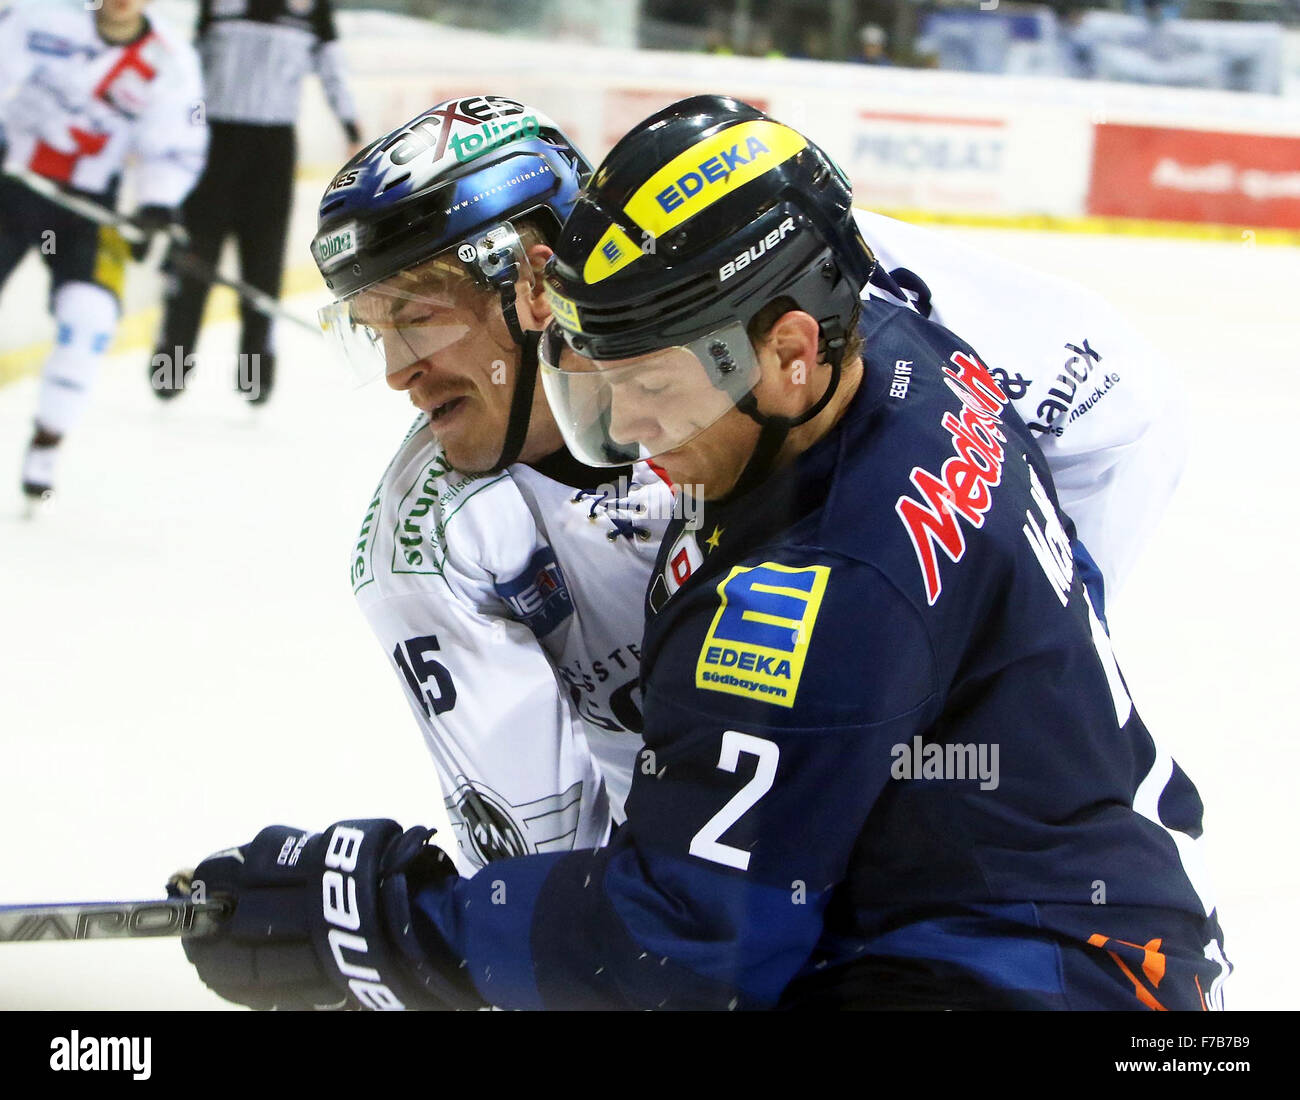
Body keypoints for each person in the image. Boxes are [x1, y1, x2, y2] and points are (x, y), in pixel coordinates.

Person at [176, 96, 1227, 1010]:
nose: (632, 433)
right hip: (1047, 900)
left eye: (420, 315)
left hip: (1015, 953)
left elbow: (676, 944)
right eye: (374, 329)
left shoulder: (819, 573)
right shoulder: (873, 323)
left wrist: (387, 933)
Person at [0, 0, 206, 505]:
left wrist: (159, 208)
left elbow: (176, 144)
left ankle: (47, 444)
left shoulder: (170, 59)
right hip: (9, 186)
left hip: (88, 209)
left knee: (90, 317)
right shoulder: (32, 16)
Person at [150, 0, 361, 405]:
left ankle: (253, 376)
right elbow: (185, 69)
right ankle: (171, 368)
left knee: (261, 269)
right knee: (194, 261)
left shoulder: (312, 8)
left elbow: (334, 71)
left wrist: (350, 125)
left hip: (272, 150)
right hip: (213, 143)